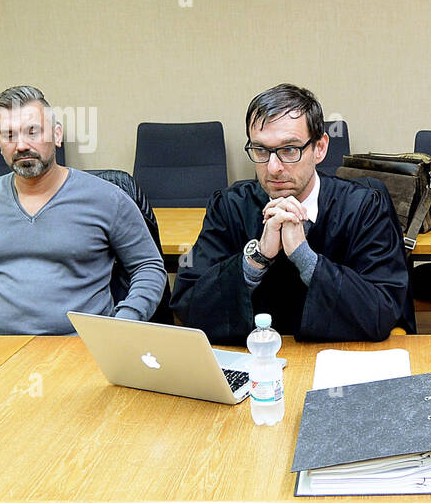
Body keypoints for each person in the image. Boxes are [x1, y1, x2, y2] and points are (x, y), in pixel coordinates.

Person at [170, 83, 414, 344]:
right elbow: (188, 306)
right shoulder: (230, 206)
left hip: (339, 360)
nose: (273, 168)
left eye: (289, 150)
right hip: (255, 361)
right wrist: (256, 259)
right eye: (261, 151)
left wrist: (305, 257)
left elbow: (383, 312)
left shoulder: (364, 206)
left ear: (319, 148)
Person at [0, 86, 166, 336]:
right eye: (8, 135)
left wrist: (125, 321)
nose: (21, 145)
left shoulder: (108, 199)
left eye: (33, 132)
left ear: (57, 135)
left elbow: (148, 267)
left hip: (84, 348)